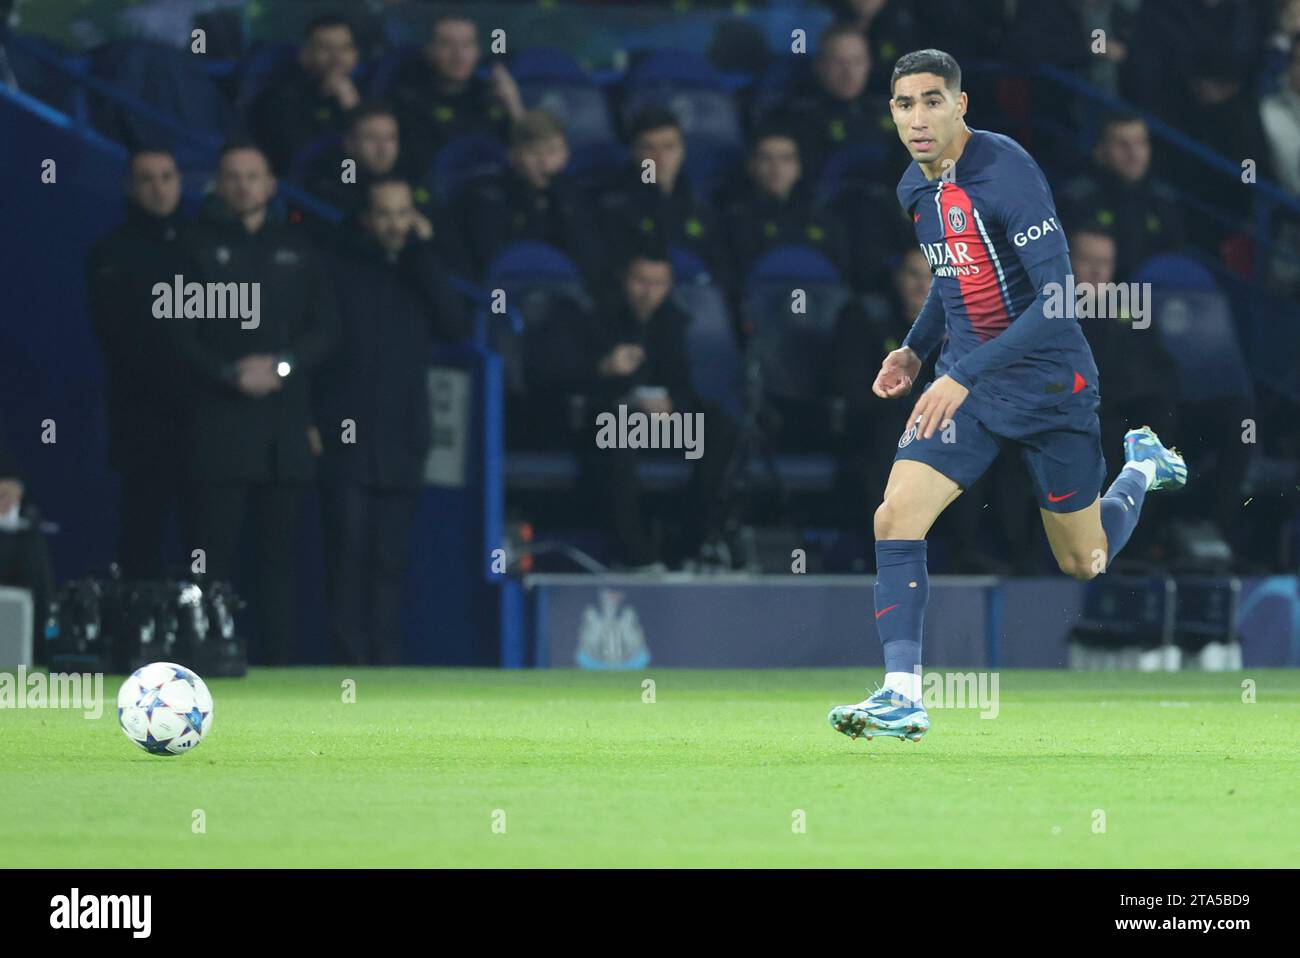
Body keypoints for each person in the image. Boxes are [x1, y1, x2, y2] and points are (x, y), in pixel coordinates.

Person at [828, 50, 1188, 743]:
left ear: (962, 105)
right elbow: (950, 277)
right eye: (904, 104)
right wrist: (915, 348)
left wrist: (961, 373)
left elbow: (1058, 299)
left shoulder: (1006, 171)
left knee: (1082, 562)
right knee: (895, 515)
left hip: (1052, 383)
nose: (918, 117)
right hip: (971, 383)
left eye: (933, 100)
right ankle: (902, 694)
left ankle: (1141, 465)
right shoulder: (915, 189)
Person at [172, 141, 339, 664]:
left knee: (278, 559)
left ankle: (278, 665)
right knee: (209, 553)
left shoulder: (300, 249)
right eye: (233, 176)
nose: (244, 185)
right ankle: (204, 657)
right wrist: (228, 373)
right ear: (219, 184)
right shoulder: (192, 246)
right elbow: (176, 333)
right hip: (215, 424)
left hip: (283, 431)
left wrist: (282, 367)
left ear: (270, 184)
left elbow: (327, 330)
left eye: (254, 176)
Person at [316, 178, 469, 665]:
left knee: (390, 560)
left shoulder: (421, 271)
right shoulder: (340, 270)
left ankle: (385, 661)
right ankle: (347, 660)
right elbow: (320, 350)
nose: (394, 223)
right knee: (347, 554)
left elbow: (455, 324)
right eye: (384, 213)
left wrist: (423, 252)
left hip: (404, 435)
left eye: (403, 212)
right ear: (367, 218)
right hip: (348, 433)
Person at [576, 241, 737, 569]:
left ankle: (691, 545)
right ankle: (637, 556)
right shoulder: (595, 315)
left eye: (658, 283)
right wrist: (605, 368)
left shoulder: (672, 320)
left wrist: (671, 403)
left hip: (664, 424)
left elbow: (682, 384)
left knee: (720, 427)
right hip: (610, 421)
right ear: (623, 278)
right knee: (617, 430)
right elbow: (565, 379)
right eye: (640, 281)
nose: (648, 292)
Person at [86, 148, 191, 579]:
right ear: (129, 186)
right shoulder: (110, 253)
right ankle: (134, 636)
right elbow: (121, 338)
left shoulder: (199, 245)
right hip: (142, 421)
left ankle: (203, 637)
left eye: (167, 176)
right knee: (141, 531)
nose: (159, 188)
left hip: (205, 420)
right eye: (147, 179)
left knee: (204, 538)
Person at [453, 110, 602, 284]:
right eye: (534, 152)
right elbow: (493, 262)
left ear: (566, 154)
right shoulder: (488, 197)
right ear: (513, 155)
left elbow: (592, 262)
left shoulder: (574, 195)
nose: (545, 162)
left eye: (552, 151)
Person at [596, 106, 729, 293]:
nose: (659, 158)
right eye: (649, 148)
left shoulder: (703, 210)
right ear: (634, 153)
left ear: (682, 151)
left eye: (669, 147)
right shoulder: (612, 210)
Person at [388, 12, 525, 174]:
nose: (459, 55)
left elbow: (529, 155)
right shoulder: (406, 101)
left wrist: (514, 105)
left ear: (478, 51)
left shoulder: (493, 95)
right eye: (447, 45)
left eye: (467, 45)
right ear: (429, 51)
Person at [1059, 115, 1186, 279]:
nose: (1134, 153)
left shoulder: (1165, 200)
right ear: (1101, 150)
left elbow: (1175, 261)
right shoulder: (1076, 199)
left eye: (1140, 143)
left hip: (1152, 298)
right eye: (1122, 144)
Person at [249, 14, 361, 175]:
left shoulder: (369, 92)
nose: (337, 58)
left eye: (344, 48)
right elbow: (299, 159)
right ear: (305, 55)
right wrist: (352, 114)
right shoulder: (279, 100)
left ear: (355, 55)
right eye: (326, 48)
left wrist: (353, 107)